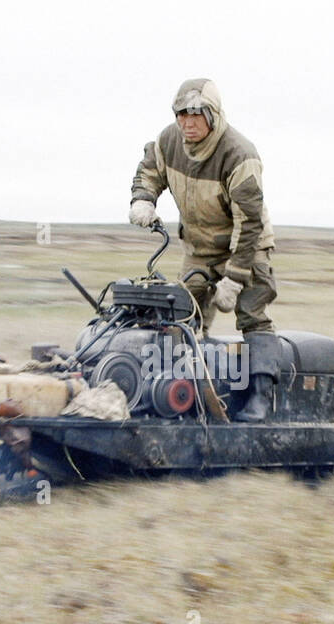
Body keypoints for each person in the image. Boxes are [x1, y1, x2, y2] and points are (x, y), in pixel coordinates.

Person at [128, 78, 279, 422]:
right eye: (182, 114)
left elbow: (250, 223)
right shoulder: (169, 141)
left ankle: (260, 397)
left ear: (213, 115)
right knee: (183, 316)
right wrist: (143, 198)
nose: (188, 122)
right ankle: (182, 394)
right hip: (200, 245)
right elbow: (150, 171)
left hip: (246, 245)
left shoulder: (239, 154)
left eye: (197, 114)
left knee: (253, 316)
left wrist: (234, 279)